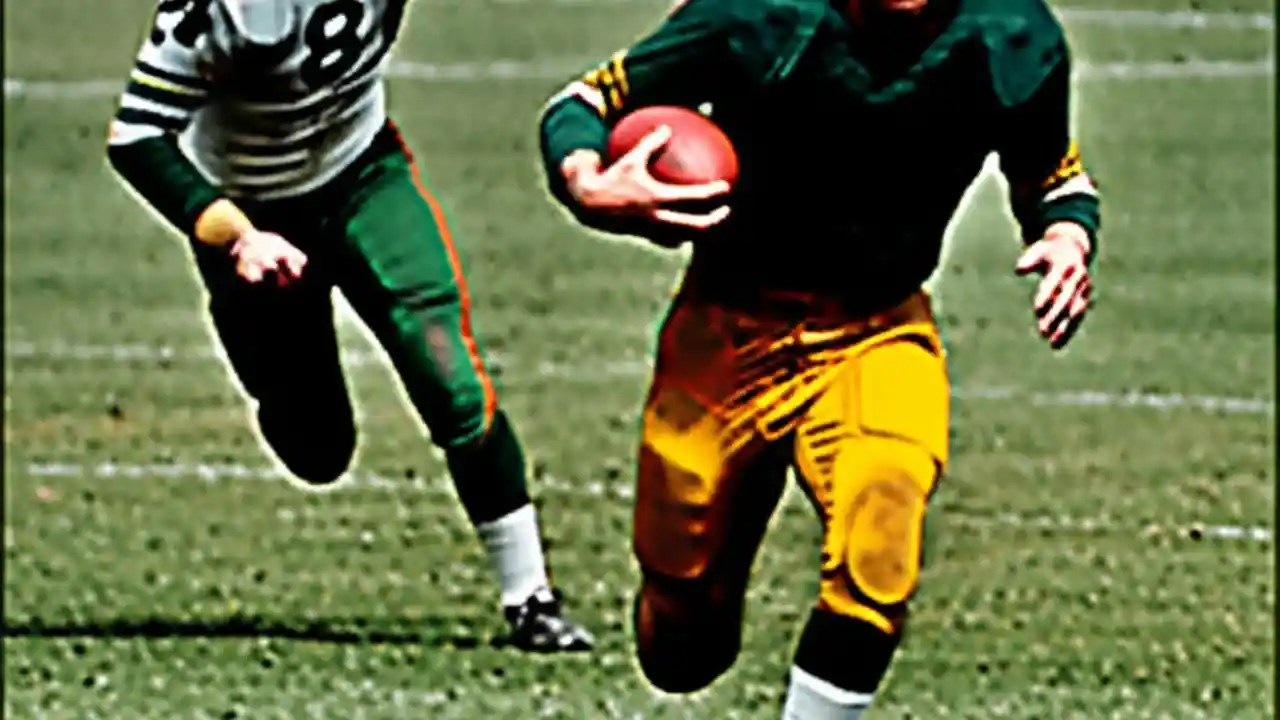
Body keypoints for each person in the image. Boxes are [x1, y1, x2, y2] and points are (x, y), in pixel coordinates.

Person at [537, 0, 1099, 713]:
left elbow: (1052, 173)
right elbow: (587, 99)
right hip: (726, 332)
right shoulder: (756, 14)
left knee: (878, 550)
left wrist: (1066, 237)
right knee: (681, 647)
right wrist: (588, 179)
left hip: (876, 328)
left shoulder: (1012, 34)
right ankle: (699, 587)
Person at [106, 0, 593, 652]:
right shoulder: (225, 11)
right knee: (316, 448)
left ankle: (530, 598)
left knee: (450, 379)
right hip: (252, 216)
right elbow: (135, 134)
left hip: (363, 175)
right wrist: (236, 237)